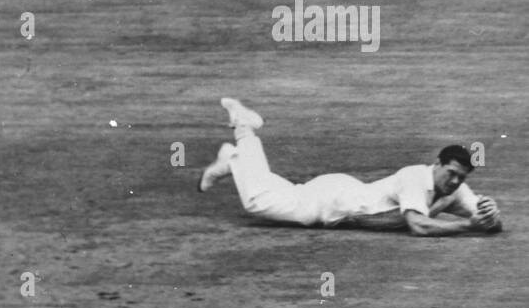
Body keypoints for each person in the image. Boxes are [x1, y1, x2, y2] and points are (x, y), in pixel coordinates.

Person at [199, 97, 503, 236]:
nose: (453, 183)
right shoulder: (415, 177)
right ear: (436, 164)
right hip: (329, 202)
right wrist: (466, 226)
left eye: (459, 179)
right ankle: (242, 131)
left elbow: (486, 222)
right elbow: (418, 225)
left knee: (270, 188)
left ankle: (234, 155)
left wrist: (491, 214)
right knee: (256, 202)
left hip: (343, 192)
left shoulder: (457, 188)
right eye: (450, 173)